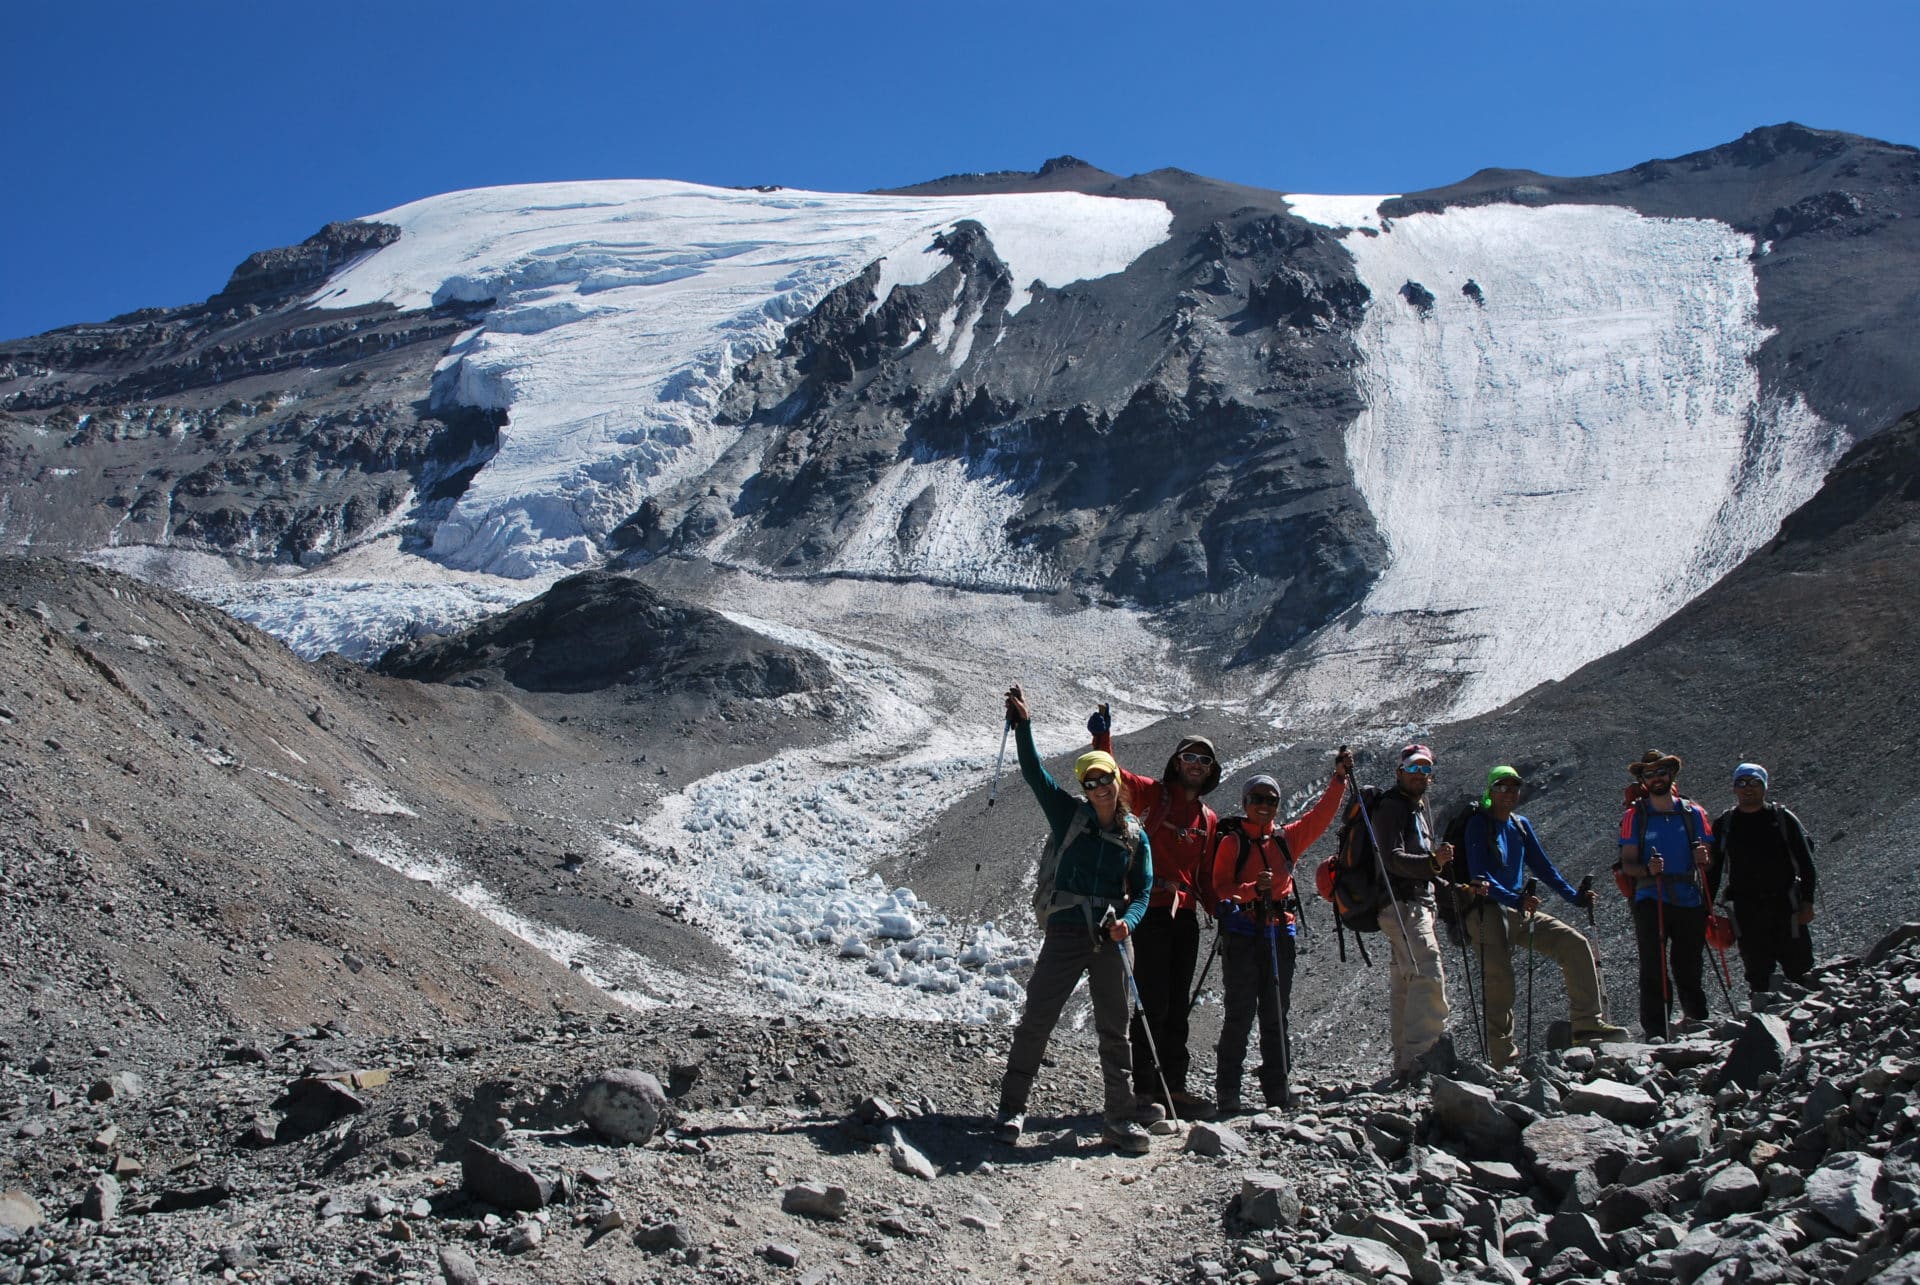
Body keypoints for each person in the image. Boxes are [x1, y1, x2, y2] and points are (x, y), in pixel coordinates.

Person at [992, 685, 1154, 1154]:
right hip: (1066, 931)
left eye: (1105, 779)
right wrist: (1024, 727)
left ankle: (1119, 1120)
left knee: (1113, 1030)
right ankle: (1011, 1109)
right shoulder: (1070, 817)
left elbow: (1142, 890)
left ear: (1116, 783)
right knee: (1037, 1019)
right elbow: (1035, 775)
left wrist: (1130, 923)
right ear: (1084, 787)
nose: (1099, 787)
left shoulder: (1135, 835)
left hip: (1112, 936)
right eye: (1090, 782)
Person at [1088, 705, 1220, 1117]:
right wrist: (1102, 740)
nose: (1195, 765)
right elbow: (1114, 777)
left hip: (1186, 916)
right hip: (1149, 910)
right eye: (1188, 757)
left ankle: (1173, 1086)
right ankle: (1145, 1088)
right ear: (1176, 763)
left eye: (1203, 760)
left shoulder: (1208, 818)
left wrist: (1223, 911)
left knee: (1178, 1001)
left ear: (1210, 770)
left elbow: (1204, 875)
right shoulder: (1153, 793)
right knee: (1152, 1000)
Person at [1458, 766, 1629, 1067]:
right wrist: (1516, 899)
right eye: (1501, 787)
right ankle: (1503, 1061)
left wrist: (1575, 898)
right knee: (1500, 983)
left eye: (1514, 787)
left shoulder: (1520, 825)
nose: (1509, 793)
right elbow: (1478, 874)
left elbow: (1545, 869)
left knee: (1573, 944)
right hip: (1485, 912)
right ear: (1489, 791)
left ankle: (1587, 1023)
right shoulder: (1477, 824)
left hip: (1516, 908)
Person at [1210, 753, 1350, 1112]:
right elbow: (1220, 887)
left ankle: (1277, 1088)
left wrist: (1338, 780)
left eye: (1270, 800)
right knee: (1239, 1013)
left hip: (1279, 934)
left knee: (1275, 1014)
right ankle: (1228, 1091)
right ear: (1245, 803)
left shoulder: (1287, 839)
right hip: (1243, 934)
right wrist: (1252, 891)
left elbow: (1321, 817)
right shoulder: (1232, 842)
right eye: (1257, 798)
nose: (1264, 805)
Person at [1368, 744, 1455, 1081]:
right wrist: (1433, 863)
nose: (1420, 775)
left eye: (1425, 769)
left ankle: (1406, 1062)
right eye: (1414, 769)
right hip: (1404, 904)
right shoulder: (1392, 807)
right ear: (1399, 772)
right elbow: (1392, 858)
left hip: (1412, 904)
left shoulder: (1415, 808)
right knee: (1427, 972)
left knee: (1405, 981)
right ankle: (1424, 1059)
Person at [1616, 749, 1715, 1039]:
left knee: (1689, 962)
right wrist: (1648, 870)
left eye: (1661, 772)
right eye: (1650, 774)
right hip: (1651, 896)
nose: (1656, 778)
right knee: (1653, 964)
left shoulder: (1693, 813)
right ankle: (1658, 1030)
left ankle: (1695, 1018)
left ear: (1671, 775)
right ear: (1643, 780)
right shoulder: (1634, 816)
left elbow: (1708, 858)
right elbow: (1628, 864)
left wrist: (1703, 857)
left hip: (1687, 895)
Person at [1707, 762, 1819, 994]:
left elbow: (1806, 863)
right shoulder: (1725, 825)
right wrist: (1706, 909)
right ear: (1734, 788)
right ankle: (1764, 1022)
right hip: (1747, 912)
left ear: (1764, 786)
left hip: (1787, 908)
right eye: (1742, 783)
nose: (1748, 788)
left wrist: (1808, 901)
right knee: (1758, 975)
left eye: (1755, 782)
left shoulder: (1783, 819)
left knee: (1801, 970)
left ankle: (1807, 1020)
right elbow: (1714, 870)